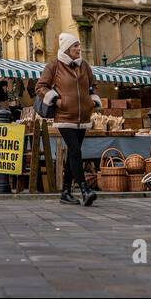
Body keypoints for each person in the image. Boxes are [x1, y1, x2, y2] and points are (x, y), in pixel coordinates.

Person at [36, 32, 100, 206]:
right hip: (64, 116)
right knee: (76, 151)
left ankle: (65, 192)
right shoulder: (54, 66)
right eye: (75, 46)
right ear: (66, 49)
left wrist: (92, 101)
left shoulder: (84, 66)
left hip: (83, 116)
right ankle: (84, 189)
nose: (79, 49)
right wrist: (56, 100)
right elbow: (40, 87)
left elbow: (93, 85)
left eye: (79, 45)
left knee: (74, 153)